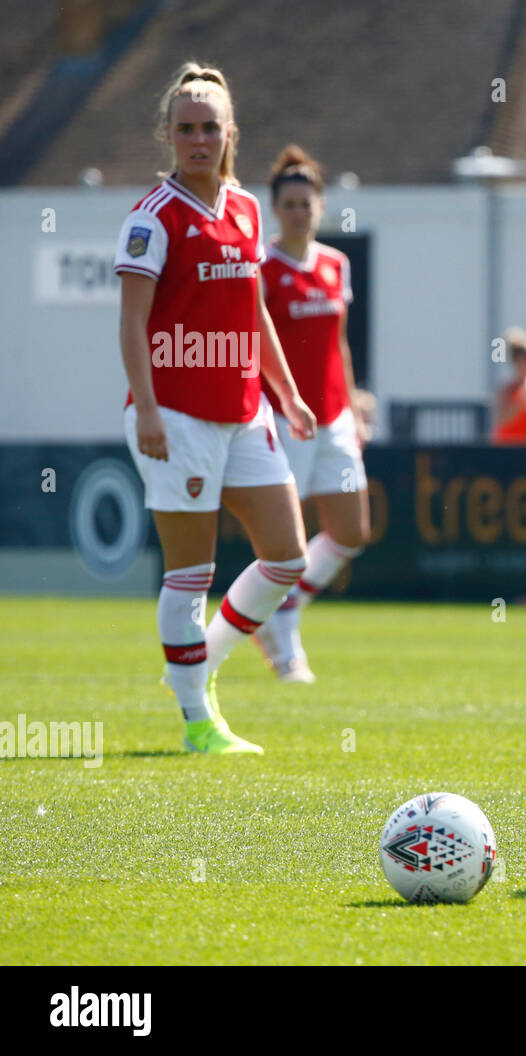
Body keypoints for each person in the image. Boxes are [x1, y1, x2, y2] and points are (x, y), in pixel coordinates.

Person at [115, 63, 316, 754]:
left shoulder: (247, 209)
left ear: (230, 133)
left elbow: (253, 310)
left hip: (244, 406)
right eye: (186, 129)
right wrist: (146, 409)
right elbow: (132, 322)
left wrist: (285, 390)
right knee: (190, 572)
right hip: (177, 412)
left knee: (287, 558)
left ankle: (198, 663)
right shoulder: (153, 218)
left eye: (210, 128)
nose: (198, 139)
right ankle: (199, 719)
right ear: (169, 135)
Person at [250, 145, 370, 683]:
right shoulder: (263, 268)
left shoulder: (334, 264)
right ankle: (283, 644)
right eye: (290, 203)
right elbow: (253, 346)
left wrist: (354, 405)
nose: (300, 211)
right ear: (276, 209)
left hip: (336, 417)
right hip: (283, 419)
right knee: (288, 545)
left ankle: (282, 608)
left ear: (321, 205)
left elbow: (337, 344)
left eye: (308, 201)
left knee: (351, 531)